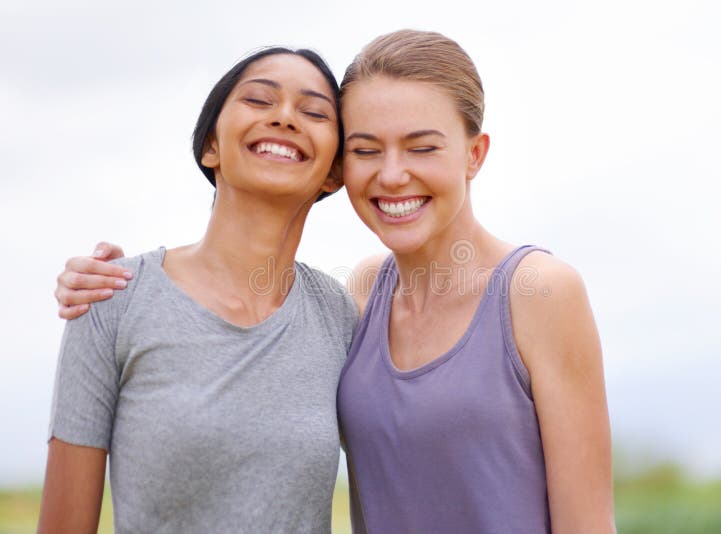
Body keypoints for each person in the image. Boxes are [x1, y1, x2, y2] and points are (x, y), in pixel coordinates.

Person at [54, 30, 615, 533]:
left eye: (422, 147)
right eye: (367, 150)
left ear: (475, 153)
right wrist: (118, 284)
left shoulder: (529, 292)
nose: (393, 174)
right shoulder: (359, 298)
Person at [40, 46, 358, 533]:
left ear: (335, 172)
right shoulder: (111, 299)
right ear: (210, 145)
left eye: (314, 112)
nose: (286, 119)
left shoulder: (339, 316)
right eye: (259, 101)